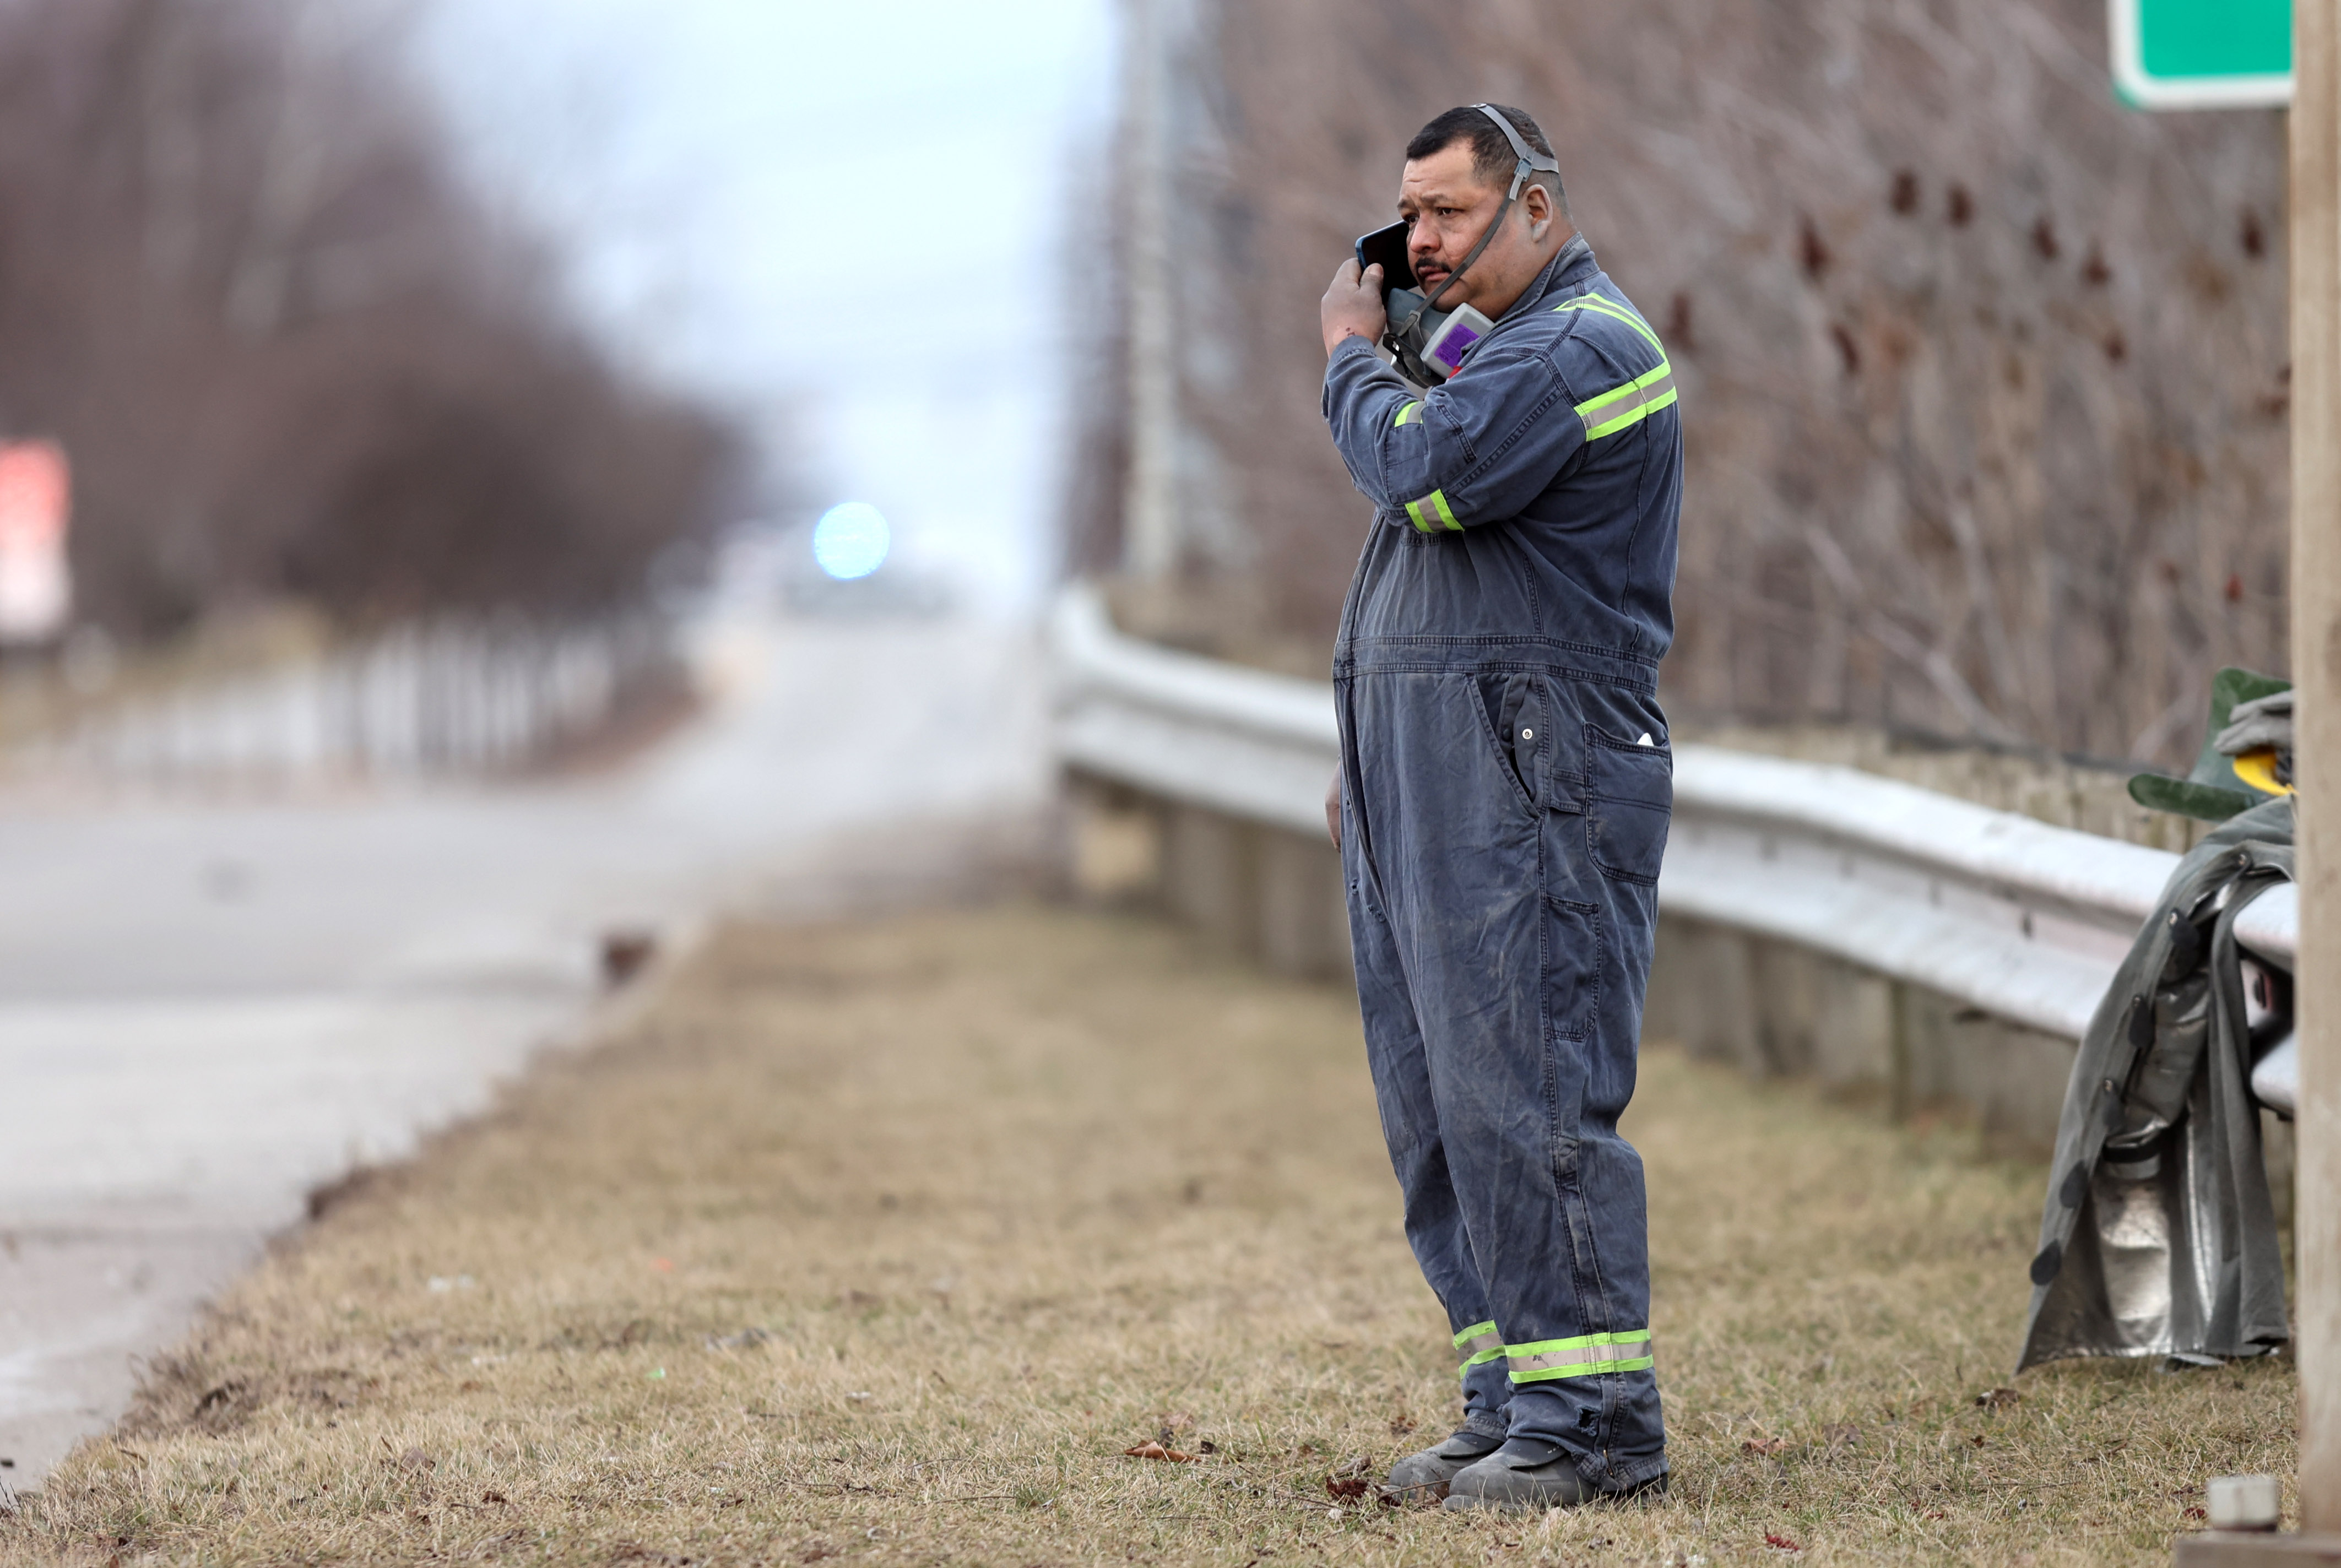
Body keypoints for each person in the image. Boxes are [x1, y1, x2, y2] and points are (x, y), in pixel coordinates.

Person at [1316, 103, 1681, 1511]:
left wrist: (1351, 353)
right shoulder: (1486, 358)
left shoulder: (1587, 350)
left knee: (1528, 1097)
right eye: (1407, 219)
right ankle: (1510, 1395)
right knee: (1439, 1111)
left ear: (1537, 206)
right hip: (1431, 778)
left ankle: (1593, 1425)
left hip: (1538, 777)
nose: (1419, 245)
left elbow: (1432, 474)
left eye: (1449, 216)